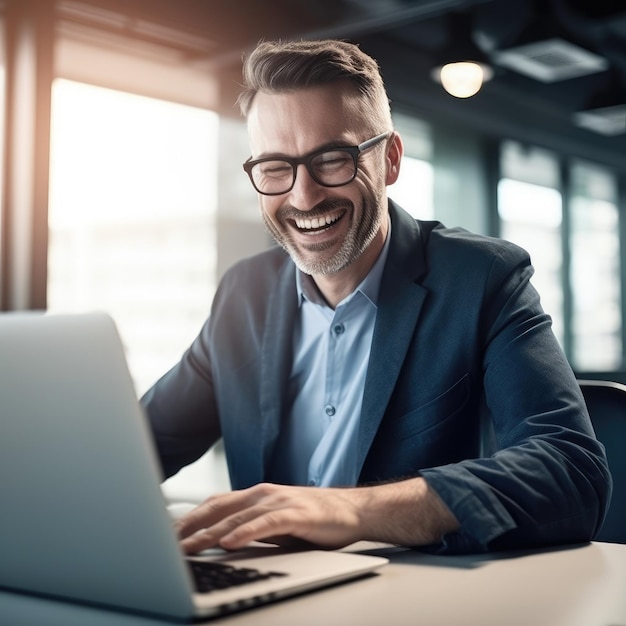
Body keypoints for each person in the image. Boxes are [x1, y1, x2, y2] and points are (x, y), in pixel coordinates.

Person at [142, 38, 611, 555]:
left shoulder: (482, 278)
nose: (303, 196)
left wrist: (351, 510)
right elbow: (137, 448)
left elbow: (571, 473)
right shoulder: (243, 294)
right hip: (269, 591)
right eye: (276, 168)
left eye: (333, 159)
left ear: (389, 160)